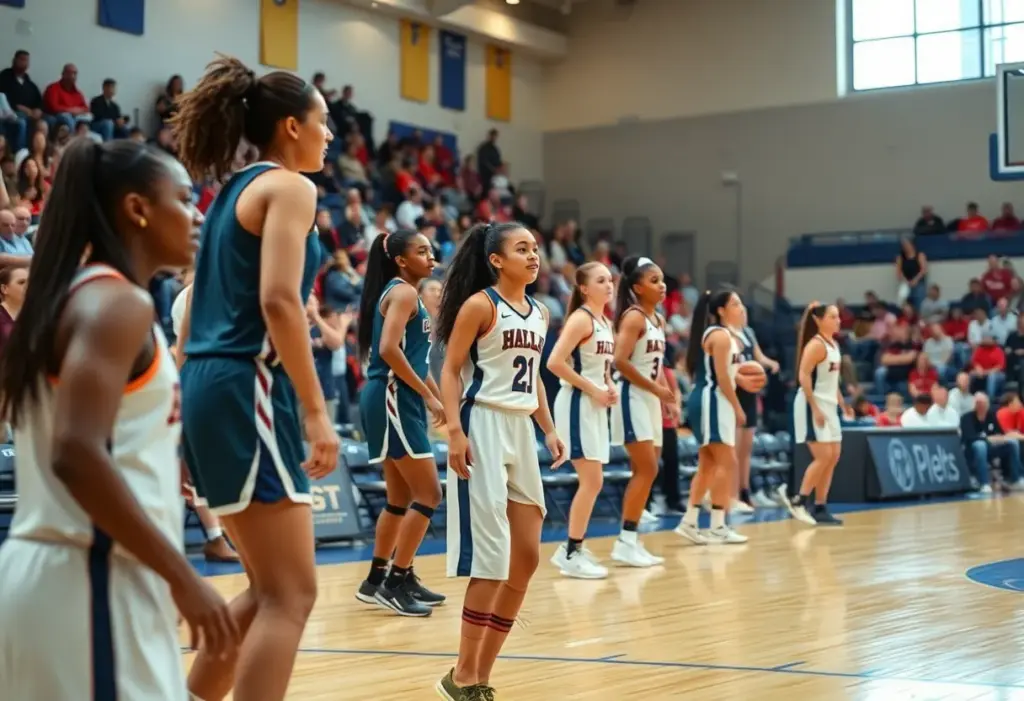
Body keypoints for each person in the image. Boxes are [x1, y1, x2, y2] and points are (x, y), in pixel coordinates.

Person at [0, 138, 239, 699]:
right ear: (136, 209)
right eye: (182, 198)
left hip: (63, 577)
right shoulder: (116, 304)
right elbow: (76, 453)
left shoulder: (70, 297)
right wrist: (185, 580)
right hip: (89, 578)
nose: (197, 213)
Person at [171, 56, 340, 701]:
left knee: (269, 590)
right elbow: (278, 302)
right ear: (292, 126)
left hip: (208, 386)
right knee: (293, 593)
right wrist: (316, 410)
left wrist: (184, 412)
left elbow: (190, 316)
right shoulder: (292, 188)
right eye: (324, 123)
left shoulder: (229, 196)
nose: (329, 136)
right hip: (247, 384)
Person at [435, 221, 565, 701]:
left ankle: (478, 675)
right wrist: (454, 431)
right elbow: (449, 371)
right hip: (483, 424)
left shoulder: (540, 313)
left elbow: (533, 381)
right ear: (495, 259)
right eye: (522, 248)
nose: (534, 256)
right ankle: (464, 677)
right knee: (491, 561)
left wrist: (548, 429)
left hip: (520, 429)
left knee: (526, 559)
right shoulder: (480, 305)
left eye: (535, 248)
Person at [355, 229, 446, 616]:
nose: (431, 257)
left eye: (431, 250)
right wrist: (426, 395)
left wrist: (434, 392)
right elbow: (389, 350)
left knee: (400, 497)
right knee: (429, 494)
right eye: (422, 251)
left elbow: (412, 356)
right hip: (392, 397)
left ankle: (377, 578)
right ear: (401, 260)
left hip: (392, 396)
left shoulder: (405, 292)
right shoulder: (405, 292)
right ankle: (396, 580)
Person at [547, 261, 617, 579]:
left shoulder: (605, 321)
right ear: (584, 288)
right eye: (601, 280)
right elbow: (554, 362)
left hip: (595, 404)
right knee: (592, 480)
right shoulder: (580, 319)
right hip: (576, 403)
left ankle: (573, 547)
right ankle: (571, 552)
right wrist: (593, 389)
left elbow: (601, 367)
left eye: (610, 279)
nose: (609, 284)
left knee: (593, 481)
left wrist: (610, 385)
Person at [170, 270, 241, 563]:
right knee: (202, 469)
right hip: (206, 378)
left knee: (216, 468)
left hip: (212, 378)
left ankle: (228, 536)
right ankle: (217, 537)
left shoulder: (215, 286)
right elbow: (186, 346)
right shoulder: (199, 290)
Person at [608, 256, 675, 565]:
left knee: (645, 471)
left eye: (661, 280)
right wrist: (655, 390)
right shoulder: (633, 317)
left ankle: (631, 540)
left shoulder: (658, 319)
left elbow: (656, 367)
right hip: (632, 396)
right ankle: (625, 540)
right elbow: (619, 361)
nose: (661, 286)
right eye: (653, 281)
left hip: (648, 399)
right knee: (647, 469)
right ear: (637, 288)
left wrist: (665, 398)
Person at [677, 290, 748, 545]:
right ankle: (717, 524)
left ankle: (689, 521)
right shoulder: (719, 336)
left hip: (716, 401)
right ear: (720, 310)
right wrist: (738, 407)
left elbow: (729, 374)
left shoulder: (729, 336)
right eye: (736, 303)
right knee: (726, 462)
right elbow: (721, 378)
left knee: (708, 464)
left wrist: (743, 378)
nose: (741, 307)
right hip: (713, 402)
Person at [785, 303, 847, 526]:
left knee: (833, 456)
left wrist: (843, 403)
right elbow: (803, 375)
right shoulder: (816, 345)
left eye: (838, 317)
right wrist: (815, 407)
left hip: (829, 405)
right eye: (832, 317)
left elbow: (833, 381)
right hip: (813, 404)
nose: (838, 320)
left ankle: (820, 506)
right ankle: (799, 500)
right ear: (819, 320)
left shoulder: (834, 345)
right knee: (822, 457)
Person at [731, 308, 780, 512]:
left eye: (744, 309)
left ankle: (745, 491)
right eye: (737, 307)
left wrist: (770, 364)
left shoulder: (748, 332)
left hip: (750, 394)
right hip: (734, 392)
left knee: (746, 449)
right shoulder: (726, 334)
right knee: (734, 448)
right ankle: (730, 494)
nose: (743, 312)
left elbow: (758, 356)